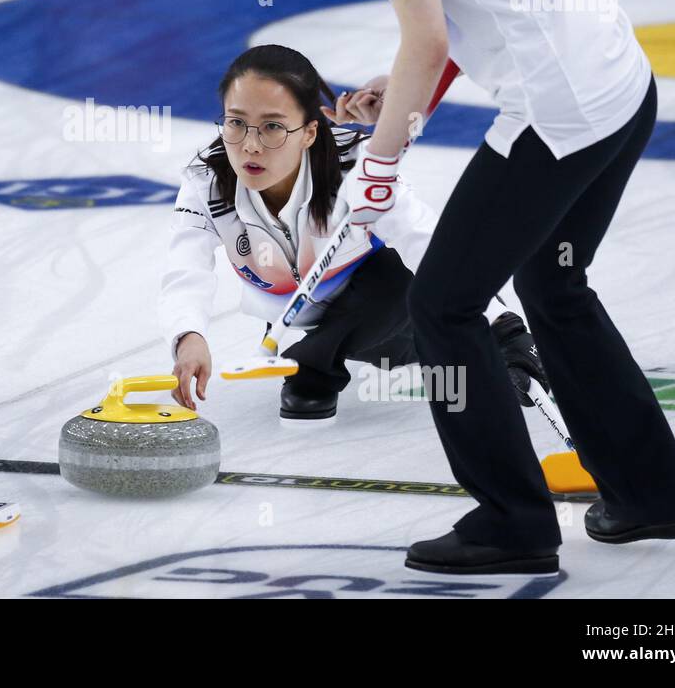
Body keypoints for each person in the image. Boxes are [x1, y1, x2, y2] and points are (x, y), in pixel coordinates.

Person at [259, 0, 675, 573]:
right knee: (555, 284)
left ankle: (512, 521)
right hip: (623, 83)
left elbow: (426, 33)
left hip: (562, 114)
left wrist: (379, 164)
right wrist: (406, 87)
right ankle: (652, 495)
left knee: (443, 302)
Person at [162, 44, 545, 421]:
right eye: (236, 122)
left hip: (394, 319)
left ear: (310, 132)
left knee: (393, 279)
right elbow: (186, 267)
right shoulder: (206, 181)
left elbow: (426, 242)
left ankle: (312, 368)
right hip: (296, 319)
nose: (250, 145)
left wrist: (504, 327)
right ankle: (313, 357)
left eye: (273, 126)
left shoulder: (360, 165)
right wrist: (188, 336)